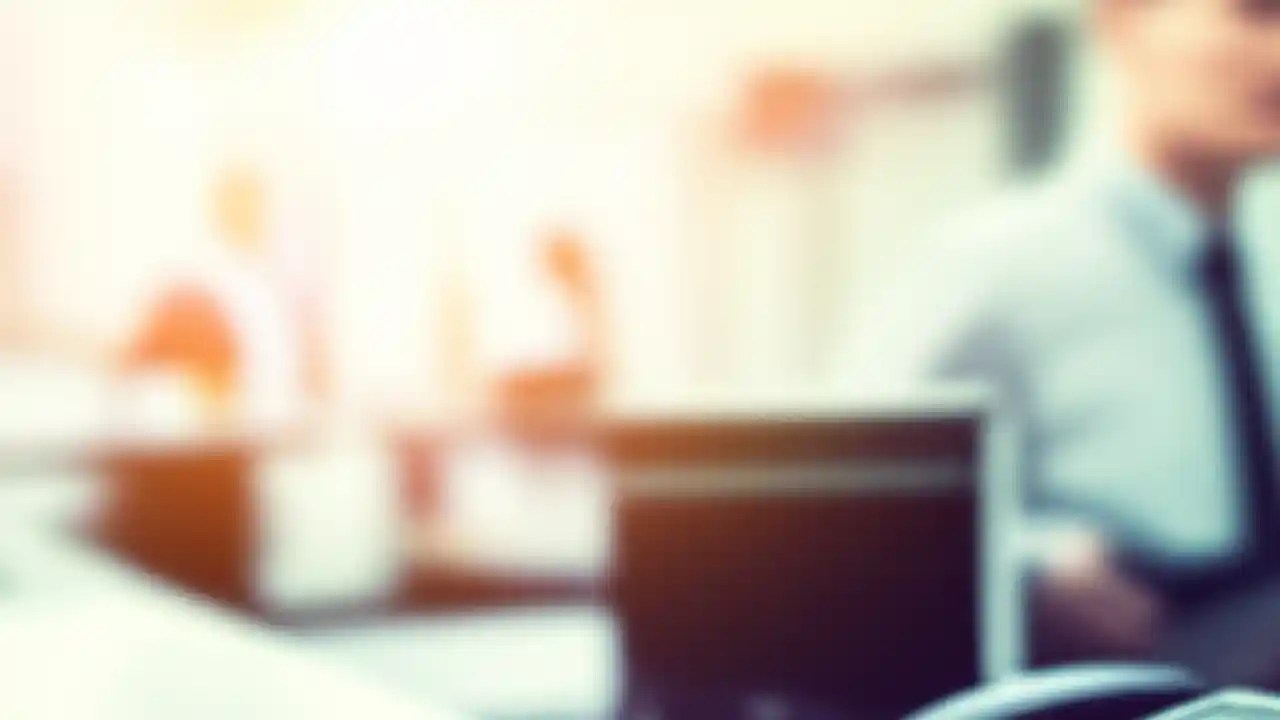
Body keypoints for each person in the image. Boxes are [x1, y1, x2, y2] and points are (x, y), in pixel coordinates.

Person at [847, 0, 1280, 677]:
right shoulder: (988, 270)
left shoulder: (1265, 265)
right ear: (1122, 20)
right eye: (1256, 13)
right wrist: (1022, 570)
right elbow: (852, 517)